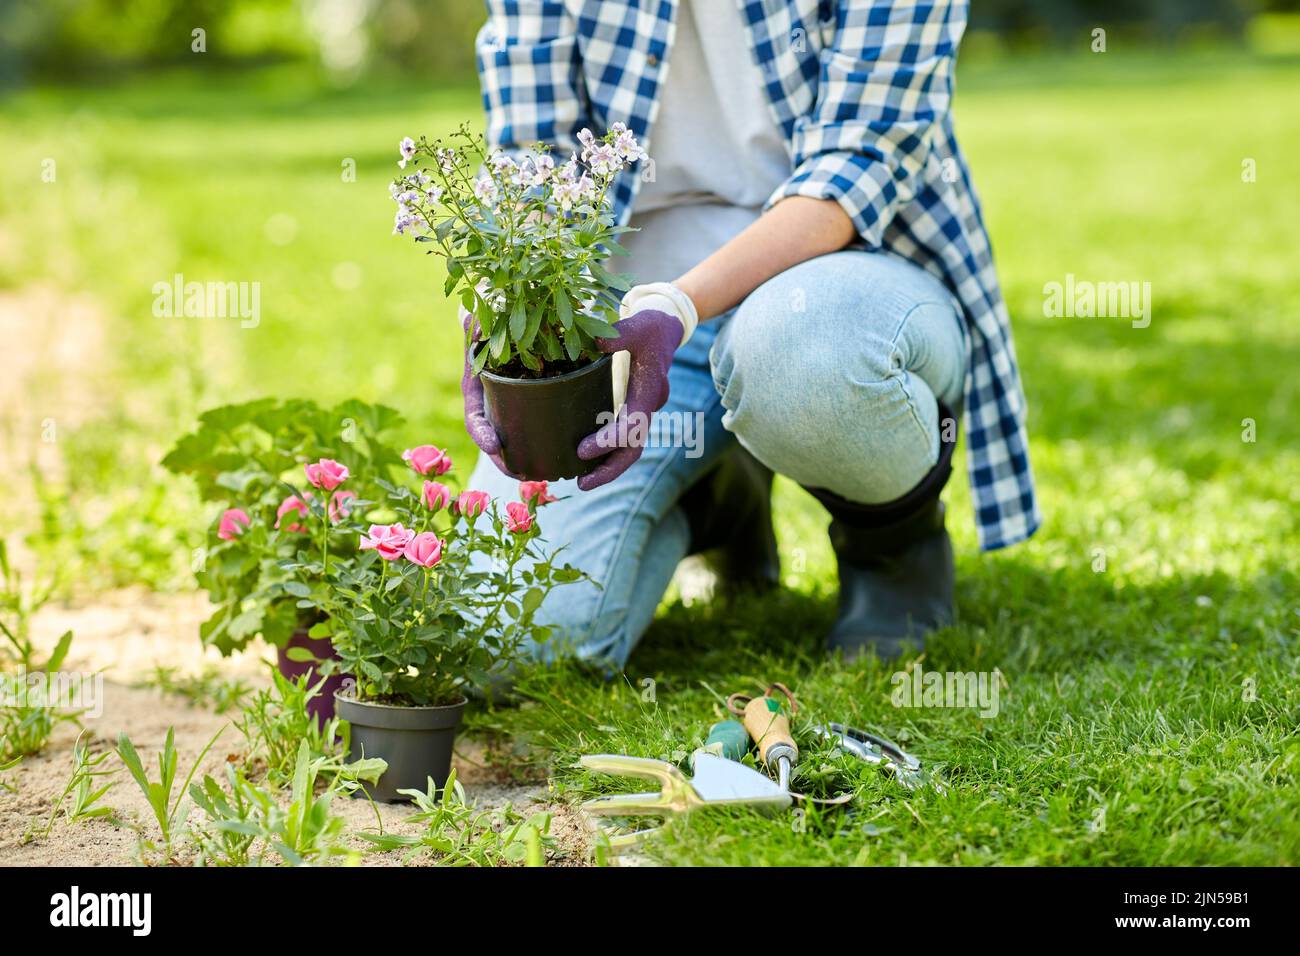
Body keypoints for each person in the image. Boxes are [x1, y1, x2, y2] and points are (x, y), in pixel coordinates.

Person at [461, 0, 1039, 670]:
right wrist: (506, 306)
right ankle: (719, 500)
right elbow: (532, 151)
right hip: (622, 314)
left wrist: (677, 305)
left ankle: (891, 548)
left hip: (835, 275)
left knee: (809, 356)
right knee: (512, 645)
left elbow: (857, 162)